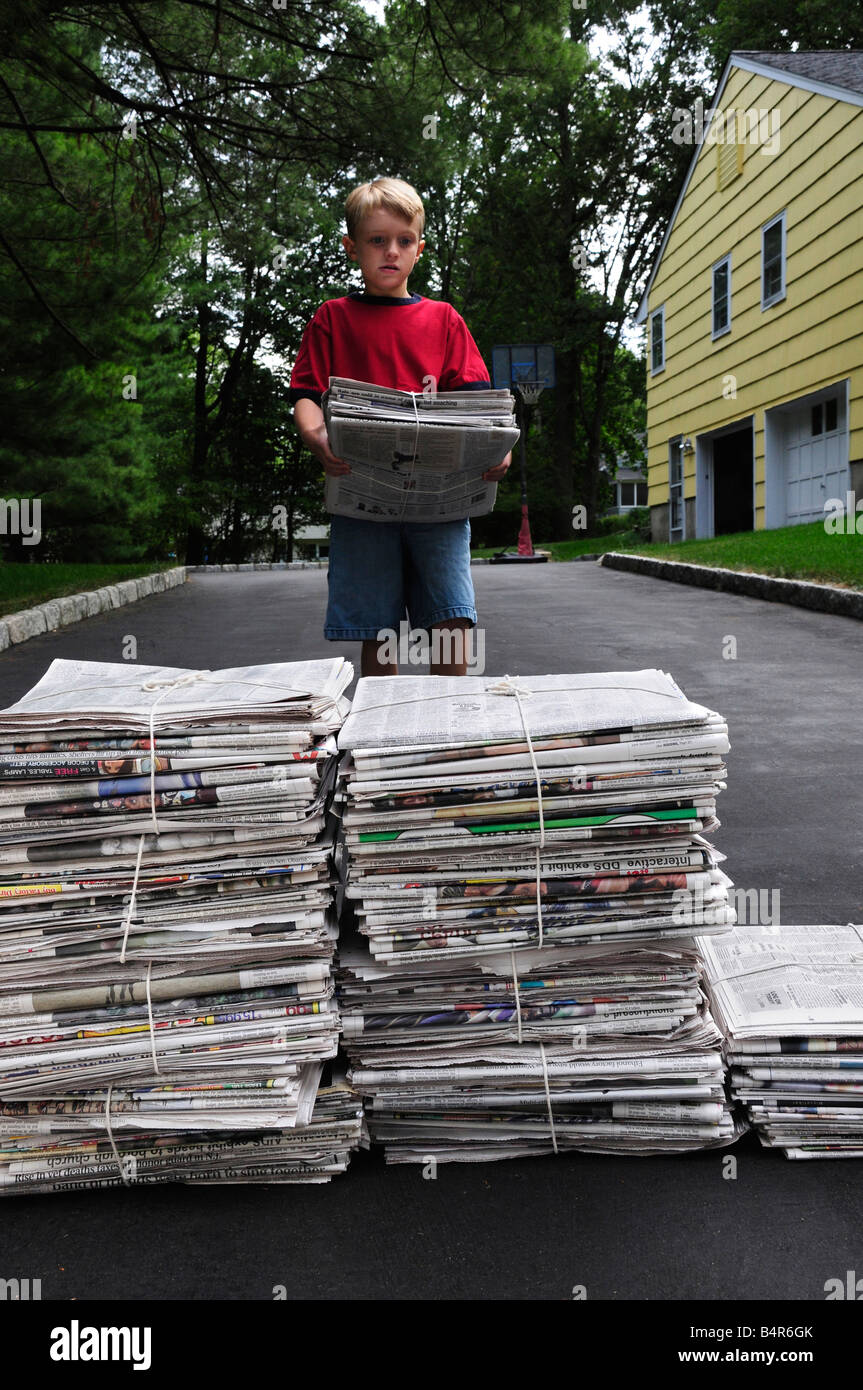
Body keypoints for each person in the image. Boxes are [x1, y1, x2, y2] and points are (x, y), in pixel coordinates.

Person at [289, 176, 511, 677]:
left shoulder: (444, 320)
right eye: (376, 240)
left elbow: (481, 405)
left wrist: (498, 450)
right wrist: (316, 437)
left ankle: (452, 723)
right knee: (379, 627)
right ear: (352, 248)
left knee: (452, 616)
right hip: (364, 498)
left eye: (403, 241)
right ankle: (383, 733)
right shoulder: (333, 318)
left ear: (419, 250)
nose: (391, 251)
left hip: (440, 504)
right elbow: (304, 394)